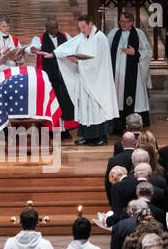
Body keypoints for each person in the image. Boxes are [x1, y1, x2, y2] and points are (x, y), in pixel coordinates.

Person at [53, 14, 119, 146]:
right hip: (85, 78)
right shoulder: (83, 36)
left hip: (98, 79)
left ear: (91, 24)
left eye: (83, 27)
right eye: (80, 28)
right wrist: (54, 53)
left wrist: (79, 62)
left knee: (97, 107)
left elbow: (97, 61)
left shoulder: (100, 37)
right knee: (85, 107)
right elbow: (69, 46)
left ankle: (101, 137)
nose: (82, 30)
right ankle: (88, 137)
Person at [108, 8, 151, 129]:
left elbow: (147, 52)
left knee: (133, 98)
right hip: (116, 74)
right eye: (121, 21)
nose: (123, 24)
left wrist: (135, 54)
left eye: (126, 21)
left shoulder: (138, 33)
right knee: (117, 97)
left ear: (131, 22)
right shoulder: (113, 33)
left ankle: (135, 124)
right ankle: (117, 124)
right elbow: (104, 49)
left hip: (133, 75)